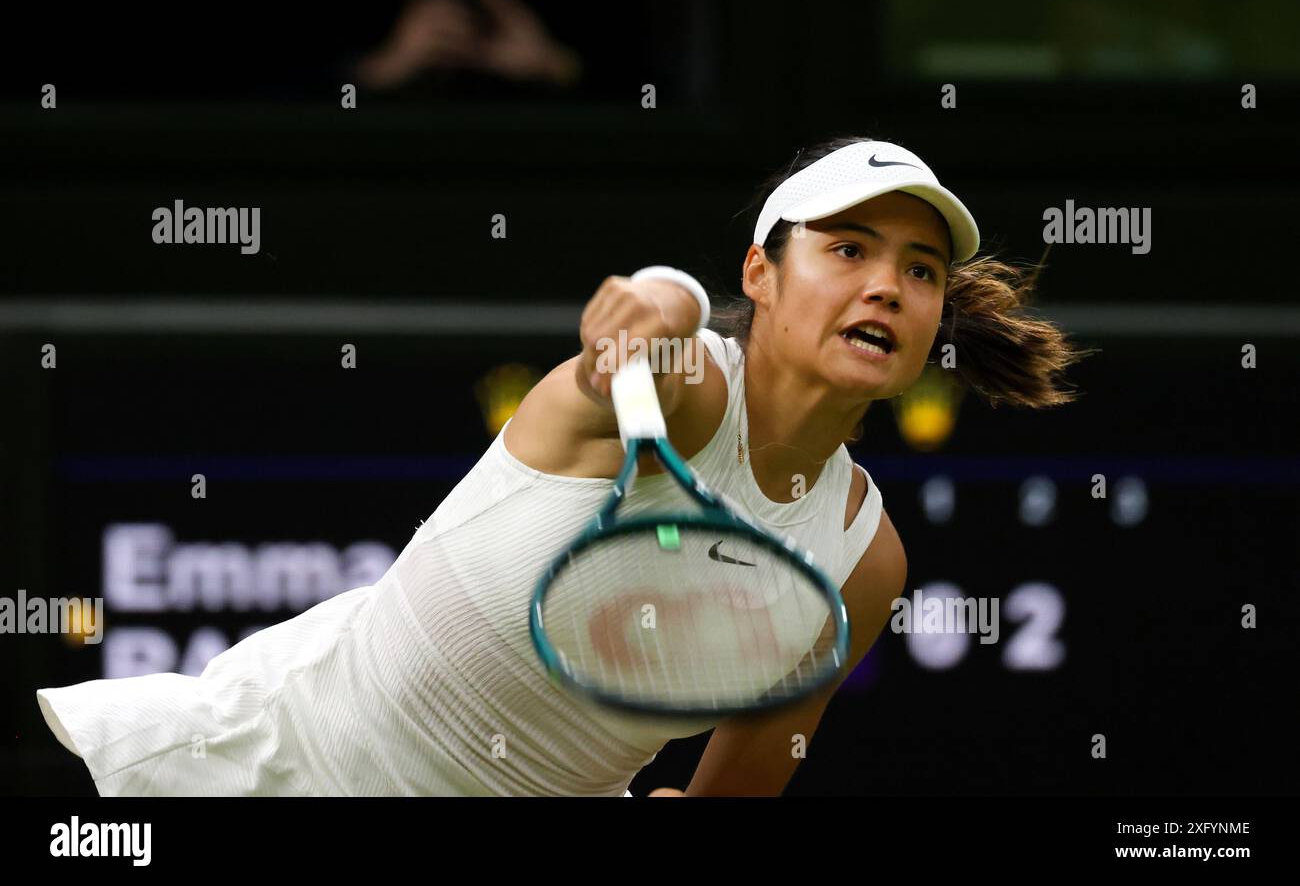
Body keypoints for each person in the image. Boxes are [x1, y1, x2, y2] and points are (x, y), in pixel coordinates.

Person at [37, 135, 1085, 796]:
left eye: (918, 269)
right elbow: (646, 338)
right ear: (759, 274)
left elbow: (748, 779)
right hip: (272, 767)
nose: (886, 286)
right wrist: (665, 294)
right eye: (847, 250)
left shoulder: (863, 561)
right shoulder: (677, 388)